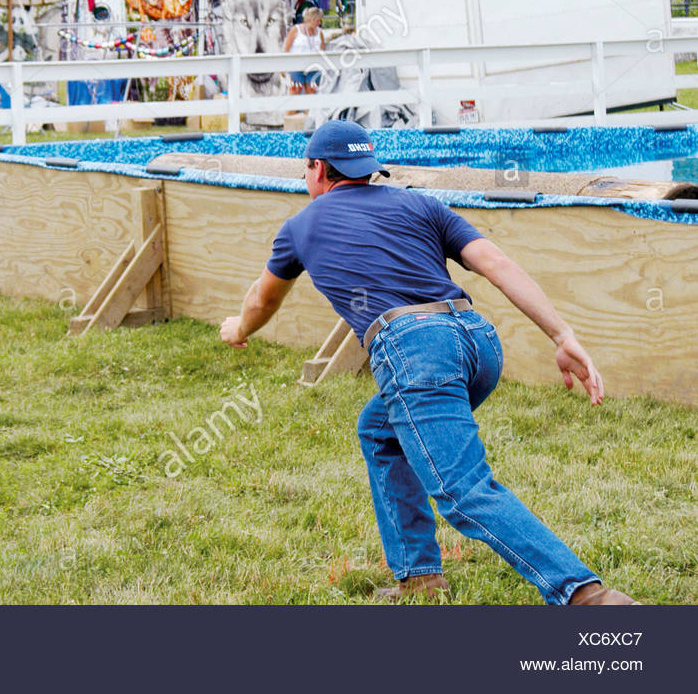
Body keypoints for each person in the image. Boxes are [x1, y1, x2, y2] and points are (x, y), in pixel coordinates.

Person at [219, 120, 638, 605]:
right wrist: (561, 334)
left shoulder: (300, 227)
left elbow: (262, 301)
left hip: (416, 351)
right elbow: (497, 265)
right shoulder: (421, 203)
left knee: (463, 491)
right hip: (477, 343)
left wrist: (238, 329)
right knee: (379, 430)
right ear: (367, 167)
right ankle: (419, 576)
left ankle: (587, 595)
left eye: (306, 168)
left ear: (318, 169)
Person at [282, 6, 327, 94]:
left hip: (313, 67)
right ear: (311, 19)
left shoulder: (319, 32)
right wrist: (283, 68)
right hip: (296, 66)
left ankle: (309, 108)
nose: (319, 23)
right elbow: (286, 48)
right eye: (317, 20)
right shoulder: (296, 30)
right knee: (295, 92)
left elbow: (323, 48)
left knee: (311, 92)